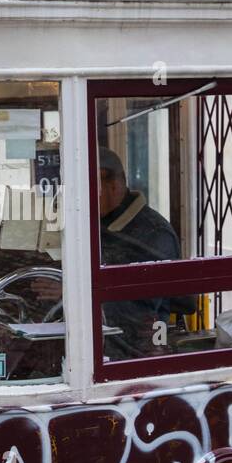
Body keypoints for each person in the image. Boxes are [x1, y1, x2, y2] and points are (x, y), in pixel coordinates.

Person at [98, 147, 195, 358]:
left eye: (90, 189)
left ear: (114, 187)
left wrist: (76, 295)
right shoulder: (97, 222)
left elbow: (138, 305)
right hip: (104, 343)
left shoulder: (153, 233)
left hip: (139, 349)